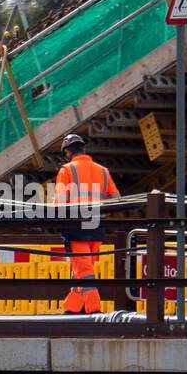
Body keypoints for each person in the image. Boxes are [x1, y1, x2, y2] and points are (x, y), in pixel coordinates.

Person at [53, 132, 119, 315]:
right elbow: (117, 199)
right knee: (83, 269)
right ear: (83, 148)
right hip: (97, 228)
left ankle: (94, 310)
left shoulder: (67, 170)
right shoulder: (103, 171)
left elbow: (59, 203)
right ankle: (72, 309)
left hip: (76, 228)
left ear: (67, 152)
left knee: (84, 272)